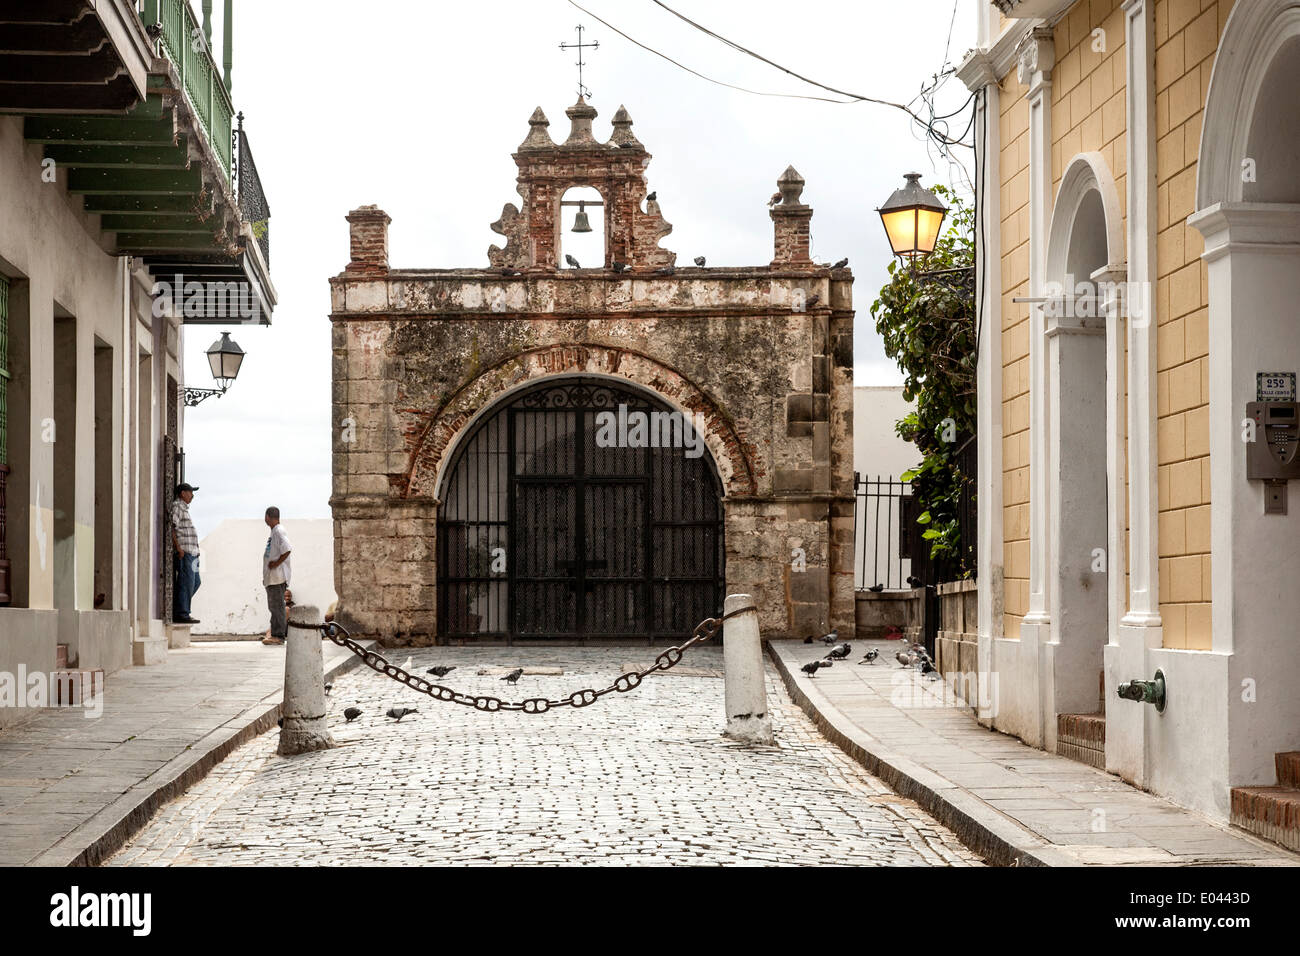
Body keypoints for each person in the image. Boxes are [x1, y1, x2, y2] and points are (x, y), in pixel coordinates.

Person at [261, 506, 292, 645]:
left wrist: (276, 563)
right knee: (273, 607)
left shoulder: (279, 531)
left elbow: (287, 549)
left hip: (277, 577)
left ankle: (279, 636)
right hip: (272, 578)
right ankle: (274, 634)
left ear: (267, 516)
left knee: (277, 606)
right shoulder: (274, 532)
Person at [171, 482, 201, 624]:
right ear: (183, 493)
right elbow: (171, 527)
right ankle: (182, 612)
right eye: (190, 492)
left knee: (196, 582)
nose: (192, 495)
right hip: (186, 553)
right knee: (186, 582)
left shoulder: (185, 509)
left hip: (193, 554)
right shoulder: (177, 506)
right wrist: (178, 548)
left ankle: (180, 606)